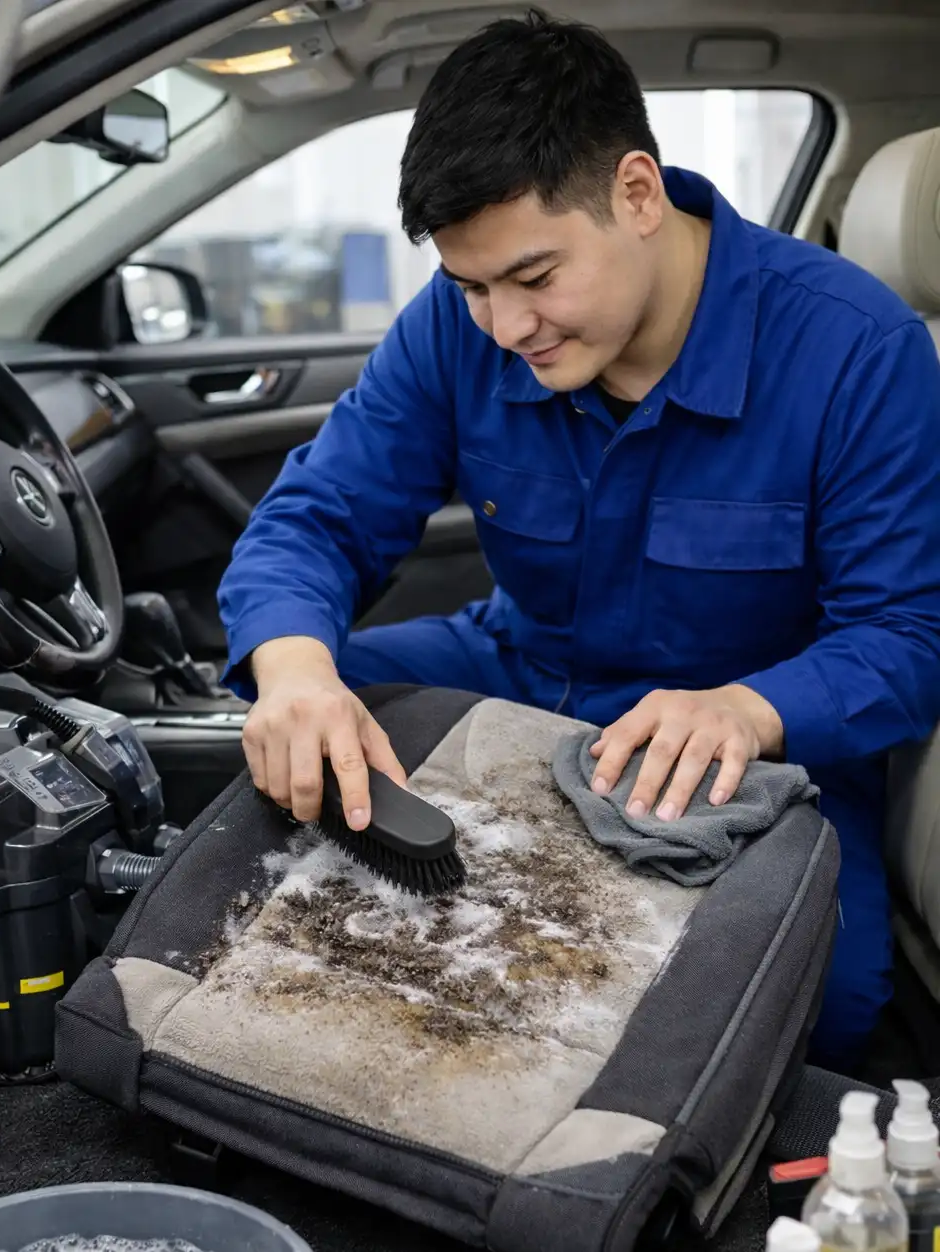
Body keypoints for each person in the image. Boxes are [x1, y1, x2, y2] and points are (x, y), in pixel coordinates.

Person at [217, 10, 940, 1069]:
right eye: (473, 287)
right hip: (519, 666)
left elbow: (910, 634)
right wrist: (291, 673)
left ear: (636, 194)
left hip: (743, 737)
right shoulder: (455, 325)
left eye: (534, 277)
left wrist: (749, 706)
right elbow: (316, 516)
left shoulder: (856, 351)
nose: (506, 328)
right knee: (285, 737)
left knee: (821, 1000)